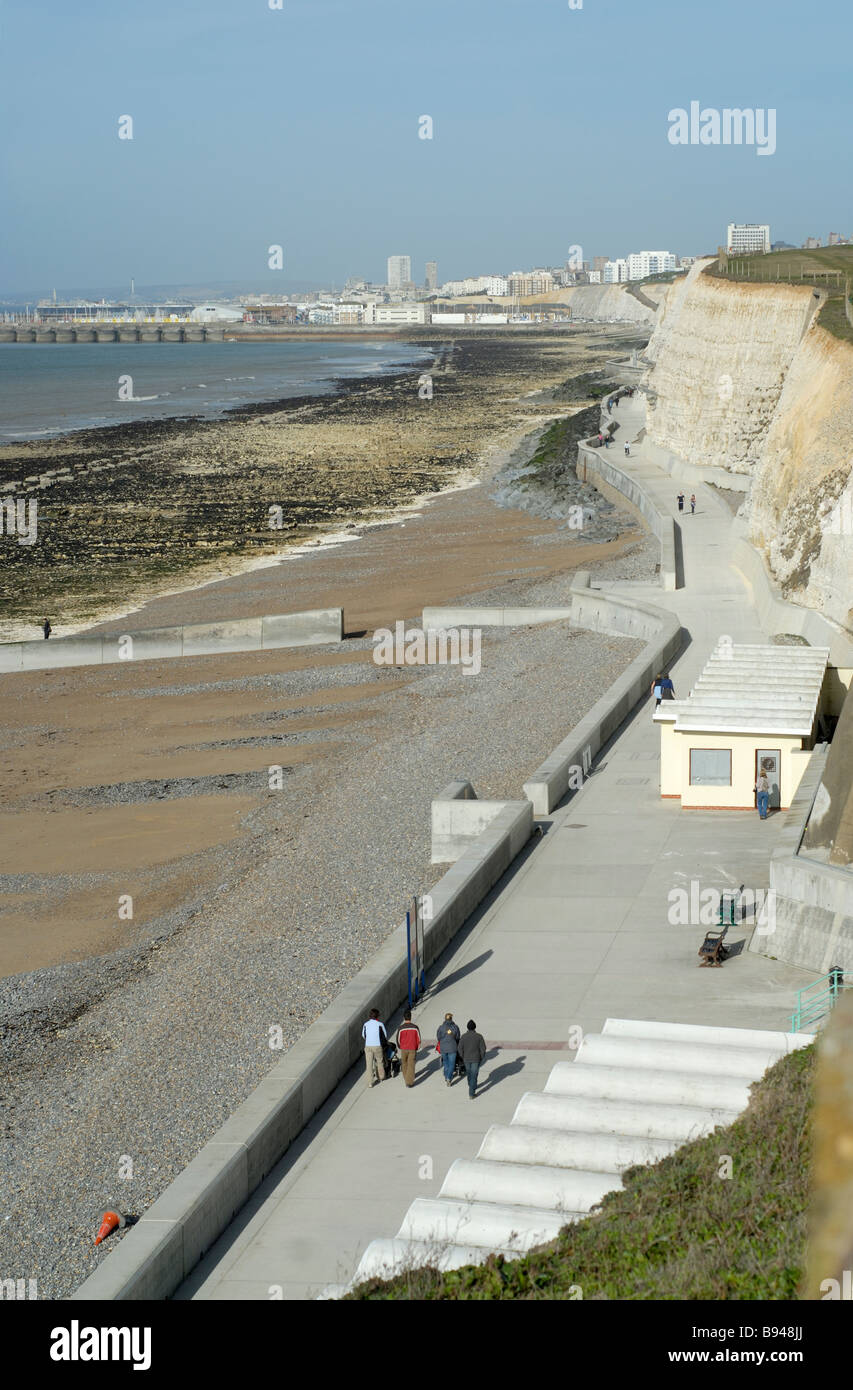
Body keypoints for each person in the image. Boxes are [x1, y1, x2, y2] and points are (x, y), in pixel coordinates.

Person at [458, 1020, 487, 1099]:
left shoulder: (463, 1036)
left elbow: (460, 1048)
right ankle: (471, 1093)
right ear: (475, 1027)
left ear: (467, 1027)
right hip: (476, 1059)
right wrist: (481, 1057)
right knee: (474, 1075)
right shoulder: (479, 1036)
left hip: (466, 1059)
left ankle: (471, 1085)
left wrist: (462, 1056)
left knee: (469, 1073)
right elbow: (483, 1049)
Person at [362, 1007, 387, 1088]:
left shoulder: (365, 1024)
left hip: (368, 1046)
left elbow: (363, 1035)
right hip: (377, 1045)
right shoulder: (380, 1024)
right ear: (377, 1016)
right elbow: (385, 1035)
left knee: (369, 1064)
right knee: (379, 1061)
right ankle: (381, 1077)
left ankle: (370, 1082)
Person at [397, 1009, 421, 1088]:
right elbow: (418, 1039)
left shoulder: (401, 1028)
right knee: (411, 1064)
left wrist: (400, 1046)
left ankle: (406, 1077)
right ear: (410, 1017)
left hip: (403, 1048)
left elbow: (398, 1039)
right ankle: (409, 1082)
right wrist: (417, 1047)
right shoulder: (415, 1027)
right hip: (412, 1048)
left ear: (404, 1018)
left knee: (404, 1063)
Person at [436, 1012, 461, 1086]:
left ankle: (446, 1076)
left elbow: (438, 1037)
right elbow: (457, 1037)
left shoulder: (441, 1027)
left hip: (443, 1048)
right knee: (452, 1064)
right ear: (451, 1019)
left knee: (446, 1063)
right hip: (452, 1048)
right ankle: (449, 1078)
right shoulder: (455, 1027)